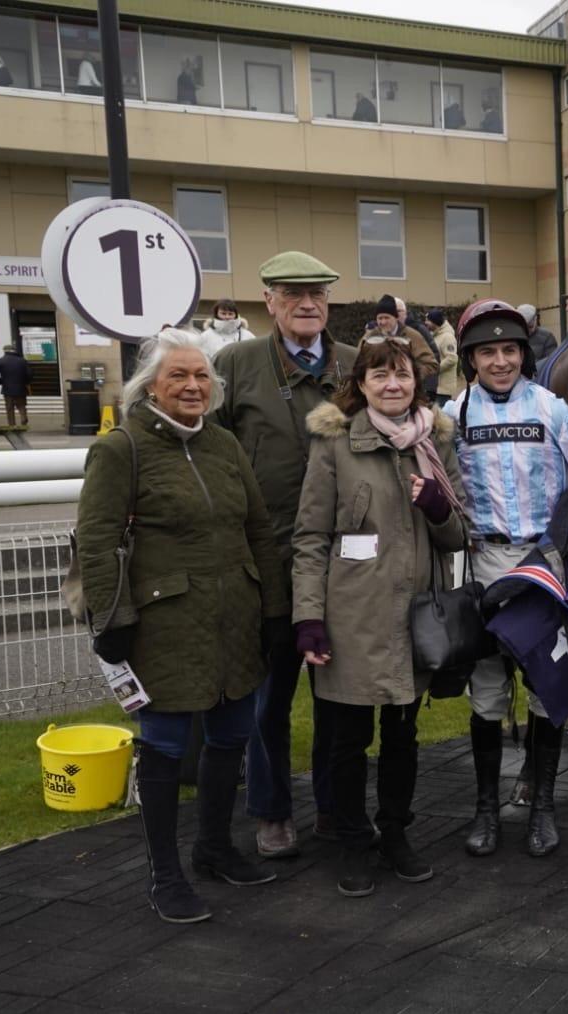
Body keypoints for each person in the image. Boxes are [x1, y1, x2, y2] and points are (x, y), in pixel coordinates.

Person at [77, 329, 288, 923]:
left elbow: (258, 530)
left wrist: (274, 610)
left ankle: (214, 849)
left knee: (231, 735)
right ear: (151, 385)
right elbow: (96, 542)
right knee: (165, 748)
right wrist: (112, 619)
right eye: (179, 376)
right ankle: (165, 876)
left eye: (202, 376)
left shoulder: (224, 444)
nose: (193, 386)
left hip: (234, 621)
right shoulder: (122, 449)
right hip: (162, 626)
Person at [294, 336, 469, 896]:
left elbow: (460, 534)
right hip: (351, 619)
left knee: (402, 737)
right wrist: (308, 618)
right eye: (380, 376)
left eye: (402, 375)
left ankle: (394, 833)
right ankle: (351, 840)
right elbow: (311, 538)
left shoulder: (437, 442)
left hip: (414, 619)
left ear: (417, 382)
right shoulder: (336, 444)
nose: (393, 385)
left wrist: (438, 508)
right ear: (361, 384)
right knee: (347, 741)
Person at [444, 300, 568, 858]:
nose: (500, 361)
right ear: (470, 359)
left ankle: (543, 807)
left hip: (544, 567)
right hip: (483, 566)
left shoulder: (554, 410)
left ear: (524, 354)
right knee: (488, 694)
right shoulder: (452, 416)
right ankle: (486, 810)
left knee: (546, 688)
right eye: (488, 352)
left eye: (510, 350)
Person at [213, 251, 356, 860]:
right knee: (267, 698)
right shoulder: (236, 364)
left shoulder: (355, 364)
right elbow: (211, 450)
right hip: (266, 561)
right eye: (293, 293)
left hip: (344, 563)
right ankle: (272, 810)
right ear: (268, 300)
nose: (307, 304)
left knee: (339, 696)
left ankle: (333, 806)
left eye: (317, 294)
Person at [0, 343, 32, 427]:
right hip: (21, 388)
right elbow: (29, 374)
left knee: (9, 408)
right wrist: (25, 382)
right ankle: (23, 418)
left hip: (7, 389)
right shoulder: (22, 361)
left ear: (5, 351)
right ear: (14, 351)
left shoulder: (0, 361)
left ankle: (12, 424)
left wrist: (1, 382)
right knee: (21, 405)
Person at [428, 307, 460, 405]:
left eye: (428, 320)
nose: (425, 323)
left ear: (434, 322)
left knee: (441, 413)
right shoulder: (436, 335)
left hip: (443, 389)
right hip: (435, 386)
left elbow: (452, 358)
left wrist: (435, 369)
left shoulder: (447, 337)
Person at [518, 303, 558, 376]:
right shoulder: (514, 336)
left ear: (536, 319)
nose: (527, 330)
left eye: (530, 327)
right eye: (524, 327)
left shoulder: (547, 336)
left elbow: (551, 362)